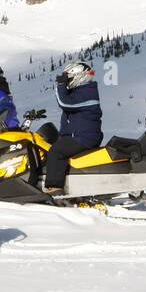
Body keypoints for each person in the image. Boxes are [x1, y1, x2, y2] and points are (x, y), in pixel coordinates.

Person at [42, 61, 103, 194]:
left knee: (56, 151)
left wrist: (60, 84)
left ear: (79, 77)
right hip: (80, 135)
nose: (68, 82)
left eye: (69, 79)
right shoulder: (81, 92)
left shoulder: (87, 92)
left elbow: (64, 103)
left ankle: (55, 188)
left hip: (84, 137)